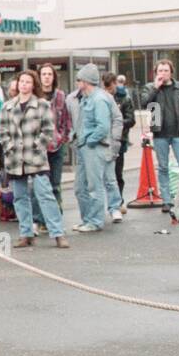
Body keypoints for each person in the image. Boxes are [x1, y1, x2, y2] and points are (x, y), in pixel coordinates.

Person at [0, 70, 68, 249]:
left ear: (33, 85)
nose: (24, 85)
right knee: (20, 197)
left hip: (36, 157)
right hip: (15, 159)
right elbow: (3, 132)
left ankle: (58, 233)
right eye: (21, 81)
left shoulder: (42, 105)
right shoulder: (7, 106)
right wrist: (9, 147)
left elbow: (48, 130)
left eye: (28, 82)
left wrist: (39, 146)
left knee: (45, 194)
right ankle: (26, 233)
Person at [143, 59, 179, 213]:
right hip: (160, 134)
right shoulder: (150, 88)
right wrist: (155, 88)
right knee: (163, 168)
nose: (163, 74)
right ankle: (167, 201)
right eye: (160, 71)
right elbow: (144, 103)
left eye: (166, 70)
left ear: (171, 72)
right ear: (156, 73)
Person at [71, 63, 112, 232]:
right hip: (84, 146)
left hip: (94, 148)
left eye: (78, 79)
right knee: (80, 187)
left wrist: (90, 141)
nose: (76, 83)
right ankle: (87, 219)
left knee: (94, 186)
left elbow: (103, 126)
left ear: (85, 81)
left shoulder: (99, 99)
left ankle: (95, 221)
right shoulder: (87, 98)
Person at [35, 63, 71, 223]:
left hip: (57, 146)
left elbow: (66, 120)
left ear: (54, 77)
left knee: (55, 185)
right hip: (39, 148)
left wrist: (63, 137)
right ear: (39, 76)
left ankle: (56, 220)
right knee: (40, 185)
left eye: (50, 74)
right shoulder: (35, 96)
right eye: (44, 74)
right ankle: (40, 220)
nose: (47, 77)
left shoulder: (61, 96)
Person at [98, 72, 125, 224]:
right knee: (95, 181)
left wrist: (116, 140)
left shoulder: (118, 98)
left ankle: (115, 207)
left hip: (110, 143)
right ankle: (97, 210)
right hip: (95, 144)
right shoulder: (91, 97)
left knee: (111, 178)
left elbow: (119, 119)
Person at [108, 73, 134, 212]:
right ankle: (107, 203)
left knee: (117, 174)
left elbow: (131, 120)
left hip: (119, 141)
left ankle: (118, 202)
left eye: (110, 86)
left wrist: (117, 124)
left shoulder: (124, 98)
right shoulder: (100, 97)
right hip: (103, 141)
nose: (108, 90)